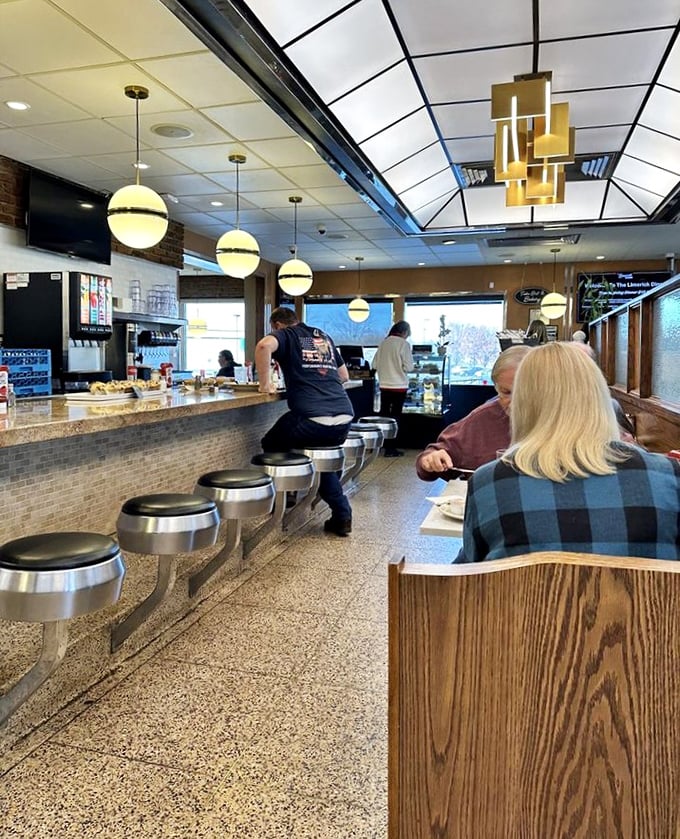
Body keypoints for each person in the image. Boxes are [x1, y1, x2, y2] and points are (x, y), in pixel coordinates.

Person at [459, 342, 680, 562]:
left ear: (524, 404)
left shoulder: (489, 483)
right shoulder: (668, 476)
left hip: (528, 597)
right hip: (645, 597)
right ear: (600, 395)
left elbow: (468, 578)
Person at [255, 306, 354, 536]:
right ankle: (342, 515)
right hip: (344, 418)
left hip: (312, 417)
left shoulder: (287, 335)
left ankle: (286, 496)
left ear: (277, 326)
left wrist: (264, 384)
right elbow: (344, 376)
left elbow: (263, 346)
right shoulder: (322, 336)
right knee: (321, 459)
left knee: (271, 442)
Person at [416, 345, 533, 480]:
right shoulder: (482, 419)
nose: (515, 403)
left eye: (524, 393)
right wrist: (430, 460)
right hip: (489, 498)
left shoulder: (558, 418)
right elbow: (436, 456)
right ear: (496, 388)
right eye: (506, 393)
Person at [371, 321, 414, 457]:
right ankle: (392, 448)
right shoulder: (403, 344)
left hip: (384, 385)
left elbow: (374, 364)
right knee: (395, 418)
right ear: (405, 332)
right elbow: (409, 367)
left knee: (384, 417)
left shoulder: (383, 343)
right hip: (399, 386)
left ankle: (381, 446)